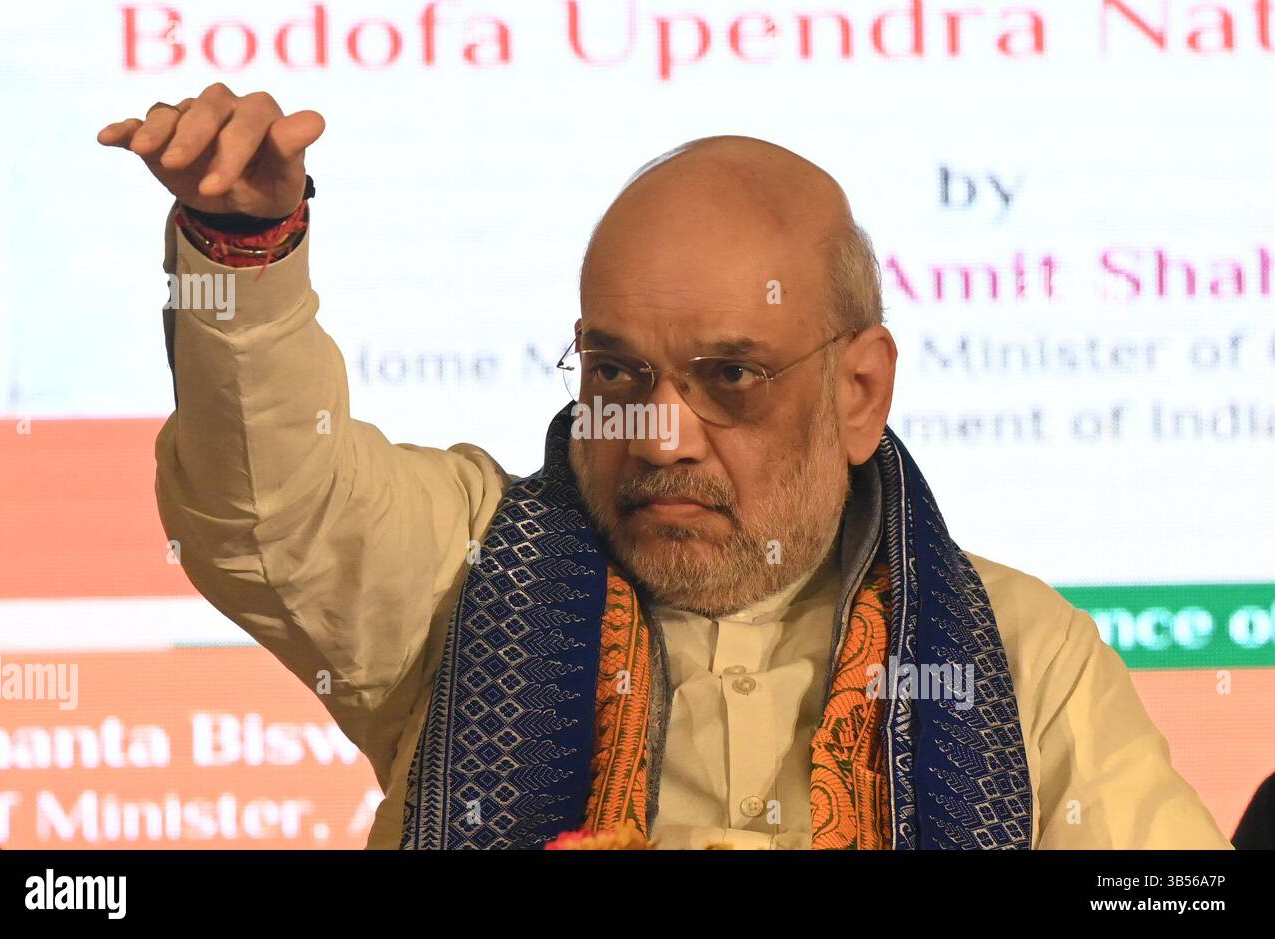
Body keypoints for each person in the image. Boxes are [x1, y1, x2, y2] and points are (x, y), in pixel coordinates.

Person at [98, 84, 1231, 850]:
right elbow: (264, 512)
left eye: (729, 377)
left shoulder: (1024, 655)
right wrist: (238, 253)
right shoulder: (464, 575)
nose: (660, 437)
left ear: (859, 393)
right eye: (617, 374)